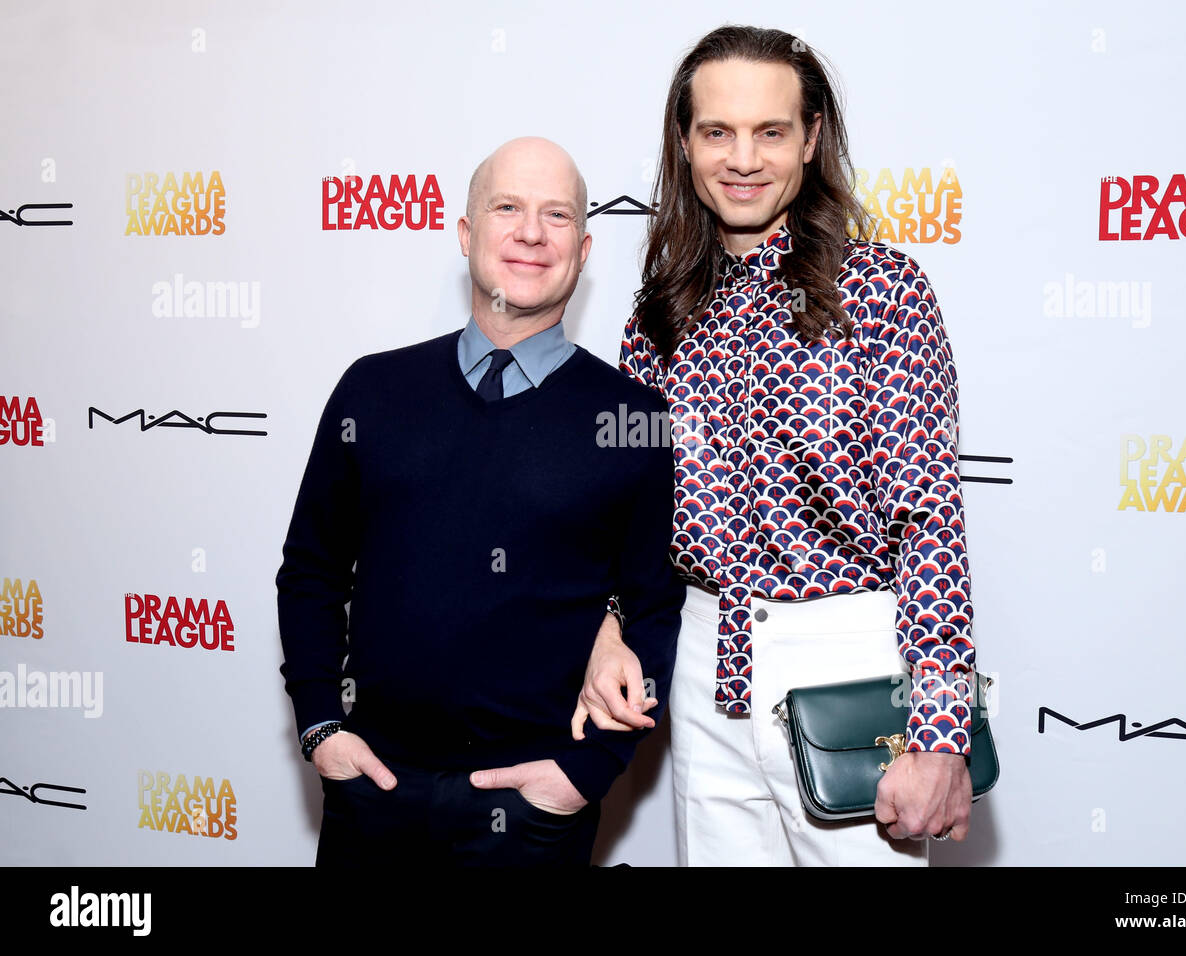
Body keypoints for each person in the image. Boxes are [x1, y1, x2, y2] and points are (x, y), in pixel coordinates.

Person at [571, 25, 978, 866]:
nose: (742, 158)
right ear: (684, 144)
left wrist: (940, 729)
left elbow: (931, 517)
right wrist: (610, 624)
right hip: (701, 660)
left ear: (812, 139)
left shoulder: (882, 292)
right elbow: (628, 518)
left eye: (771, 131)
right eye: (717, 131)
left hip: (853, 667)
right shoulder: (659, 314)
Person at [276, 136, 683, 866]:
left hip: (531, 812)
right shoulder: (372, 390)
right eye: (508, 208)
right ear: (466, 234)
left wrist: (584, 775)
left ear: (584, 250)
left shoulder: (633, 418)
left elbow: (653, 607)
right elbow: (311, 569)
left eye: (556, 215)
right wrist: (319, 727)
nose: (531, 233)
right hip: (371, 791)